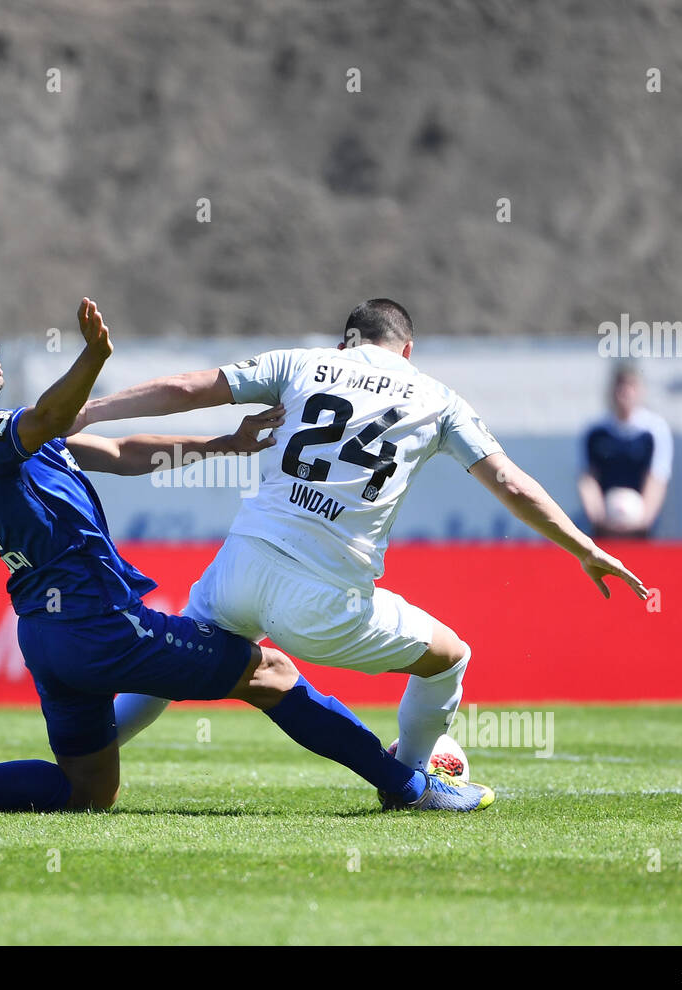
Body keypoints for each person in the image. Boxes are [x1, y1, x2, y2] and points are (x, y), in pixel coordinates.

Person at [0, 299, 495, 816]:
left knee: (88, 792)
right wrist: (94, 357)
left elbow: (123, 453)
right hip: (101, 624)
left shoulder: (5, 434)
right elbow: (55, 412)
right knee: (269, 673)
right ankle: (409, 787)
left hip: (49, 635)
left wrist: (226, 442)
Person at [70, 298, 649, 779]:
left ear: (347, 341)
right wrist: (585, 547)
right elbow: (510, 484)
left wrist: (91, 409)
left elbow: (185, 387)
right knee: (449, 659)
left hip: (240, 568)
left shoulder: (302, 362)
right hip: (325, 597)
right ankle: (415, 775)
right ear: (408, 350)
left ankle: (79, 757)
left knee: (176, 668)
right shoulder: (437, 398)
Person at [577, 363, 673, 538]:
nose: (625, 392)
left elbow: (657, 478)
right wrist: (599, 519)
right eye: (620, 385)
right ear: (612, 389)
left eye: (631, 385)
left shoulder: (654, 430)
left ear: (640, 390)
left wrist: (643, 521)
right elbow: (588, 479)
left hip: (641, 528)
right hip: (604, 526)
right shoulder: (595, 432)